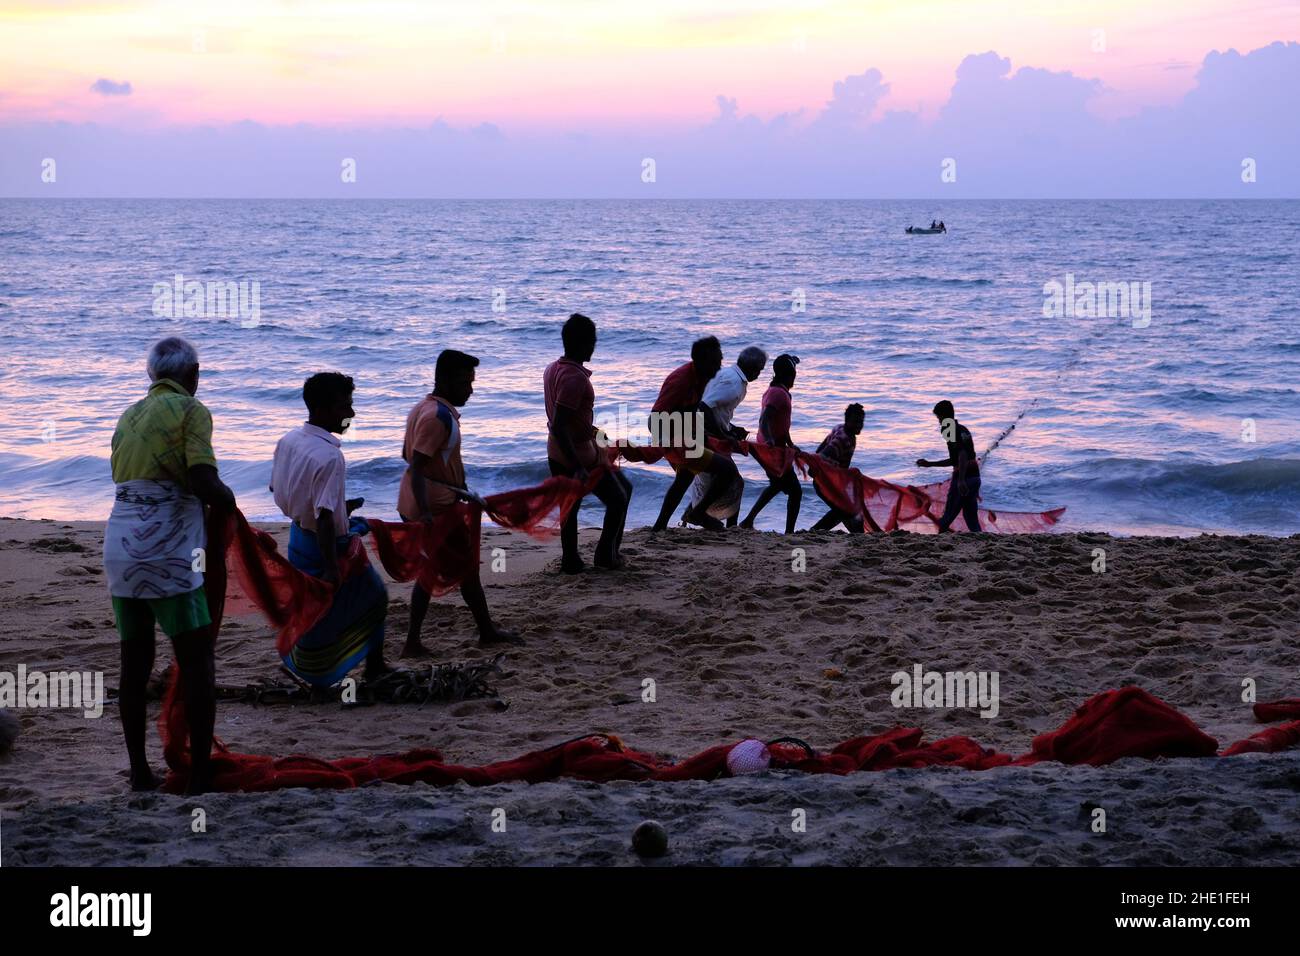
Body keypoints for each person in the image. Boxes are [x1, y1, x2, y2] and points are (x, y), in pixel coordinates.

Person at [105, 337, 235, 793]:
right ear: (193, 375)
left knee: (134, 663)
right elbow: (202, 479)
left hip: (120, 545)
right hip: (168, 548)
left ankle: (140, 772)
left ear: (151, 376)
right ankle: (198, 773)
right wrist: (230, 502)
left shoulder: (128, 415)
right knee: (196, 662)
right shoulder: (191, 411)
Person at [270, 372, 390, 686]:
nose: (351, 414)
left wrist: (341, 506)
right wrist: (332, 566)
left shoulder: (290, 440)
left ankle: (313, 665)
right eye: (344, 407)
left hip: (298, 538)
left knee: (313, 606)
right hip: (326, 546)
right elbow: (323, 518)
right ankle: (372, 667)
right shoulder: (330, 456)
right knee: (374, 597)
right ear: (322, 410)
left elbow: (282, 490)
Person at [398, 350, 521, 656]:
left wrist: (459, 489)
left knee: (457, 568)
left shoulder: (426, 407)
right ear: (445, 380)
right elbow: (417, 465)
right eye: (465, 382)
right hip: (434, 508)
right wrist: (427, 512)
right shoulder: (437, 417)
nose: (471, 389)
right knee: (451, 569)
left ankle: (482, 630)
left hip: (426, 501)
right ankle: (419, 641)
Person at [545, 313, 632, 573]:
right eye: (592, 340)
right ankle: (606, 554)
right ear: (583, 343)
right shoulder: (575, 378)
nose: (595, 345)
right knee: (619, 496)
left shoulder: (554, 368)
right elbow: (561, 424)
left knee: (570, 507)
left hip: (559, 449)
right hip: (575, 453)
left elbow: (562, 421)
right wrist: (577, 465)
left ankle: (571, 559)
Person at [649, 336, 741, 532]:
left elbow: (692, 411)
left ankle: (659, 526)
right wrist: (679, 444)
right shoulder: (680, 380)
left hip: (685, 434)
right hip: (669, 435)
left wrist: (716, 436)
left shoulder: (702, 377)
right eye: (715, 363)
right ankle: (699, 513)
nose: (719, 368)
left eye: (721, 361)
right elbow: (654, 419)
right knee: (727, 471)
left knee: (684, 478)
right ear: (701, 361)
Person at [681, 345, 767, 527]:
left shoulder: (731, 376)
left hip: (704, 433)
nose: (759, 375)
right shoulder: (734, 383)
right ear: (752, 368)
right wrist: (723, 434)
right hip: (704, 435)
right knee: (732, 480)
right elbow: (703, 407)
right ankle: (703, 515)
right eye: (759, 370)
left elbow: (715, 409)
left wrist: (732, 429)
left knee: (715, 479)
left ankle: (695, 513)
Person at [740, 354, 802, 533]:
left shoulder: (778, 391)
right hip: (772, 451)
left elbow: (782, 423)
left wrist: (790, 444)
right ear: (787, 374)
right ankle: (789, 533)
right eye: (793, 373)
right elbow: (764, 419)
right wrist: (769, 440)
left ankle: (748, 520)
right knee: (796, 492)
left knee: (777, 485)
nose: (795, 378)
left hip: (776, 450)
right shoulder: (778, 393)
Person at [916, 400, 982, 532]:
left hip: (964, 478)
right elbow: (956, 458)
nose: (939, 422)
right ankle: (981, 542)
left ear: (945, 416)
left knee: (948, 516)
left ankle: (937, 544)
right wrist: (930, 464)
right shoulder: (963, 429)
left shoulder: (949, 429)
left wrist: (961, 480)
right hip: (975, 477)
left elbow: (962, 455)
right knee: (970, 516)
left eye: (939, 418)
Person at [810, 403, 866, 533]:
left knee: (848, 509)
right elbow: (824, 456)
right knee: (842, 510)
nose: (859, 425)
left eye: (861, 422)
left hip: (831, 482)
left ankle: (858, 534)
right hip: (826, 483)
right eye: (856, 422)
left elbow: (819, 450)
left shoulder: (840, 429)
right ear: (847, 420)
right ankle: (815, 531)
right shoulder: (843, 440)